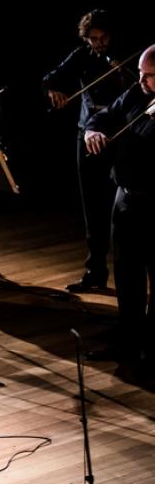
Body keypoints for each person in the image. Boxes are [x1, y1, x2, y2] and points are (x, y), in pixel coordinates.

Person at [42, 10, 129, 291]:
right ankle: (96, 271)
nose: (100, 44)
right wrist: (53, 90)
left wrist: (123, 72)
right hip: (87, 135)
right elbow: (51, 78)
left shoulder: (124, 57)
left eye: (104, 38)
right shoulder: (82, 55)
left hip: (119, 136)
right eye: (94, 39)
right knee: (93, 206)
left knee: (120, 209)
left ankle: (128, 275)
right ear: (86, 38)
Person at [82, 44, 155, 365]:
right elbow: (104, 115)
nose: (142, 80)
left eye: (150, 76)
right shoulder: (136, 94)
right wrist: (92, 131)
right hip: (124, 197)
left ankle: (150, 346)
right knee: (126, 274)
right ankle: (128, 338)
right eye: (141, 73)